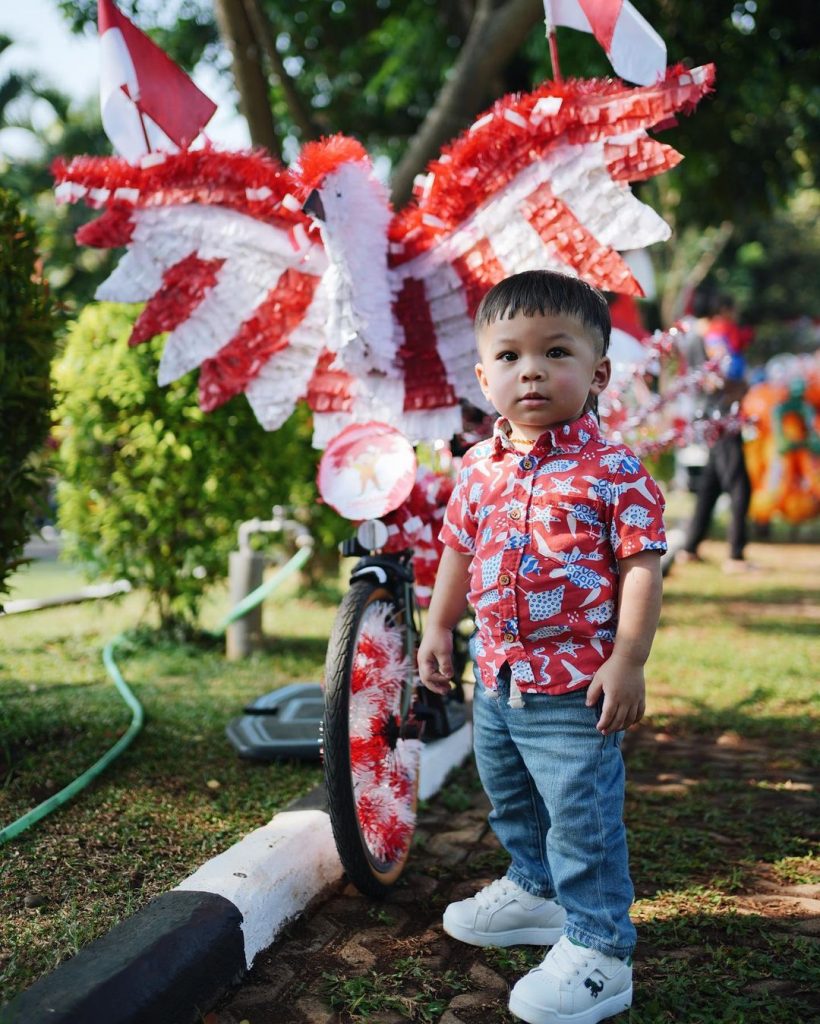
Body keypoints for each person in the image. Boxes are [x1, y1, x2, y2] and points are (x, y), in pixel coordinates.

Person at [418, 270, 666, 1024]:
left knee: (581, 815)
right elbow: (459, 550)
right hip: (496, 677)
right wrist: (436, 624)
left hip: (575, 688)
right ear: (484, 374)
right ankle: (535, 892)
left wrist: (627, 660)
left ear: (597, 373)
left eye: (556, 351)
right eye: (511, 354)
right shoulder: (477, 468)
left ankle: (600, 948)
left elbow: (641, 566)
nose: (532, 369)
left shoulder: (614, 471)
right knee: (512, 796)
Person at [678, 294, 754, 571]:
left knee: (710, 486)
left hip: (707, 416)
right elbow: (715, 379)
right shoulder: (712, 337)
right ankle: (735, 555)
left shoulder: (691, 337)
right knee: (739, 484)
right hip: (720, 418)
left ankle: (689, 546)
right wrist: (740, 385)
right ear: (720, 308)